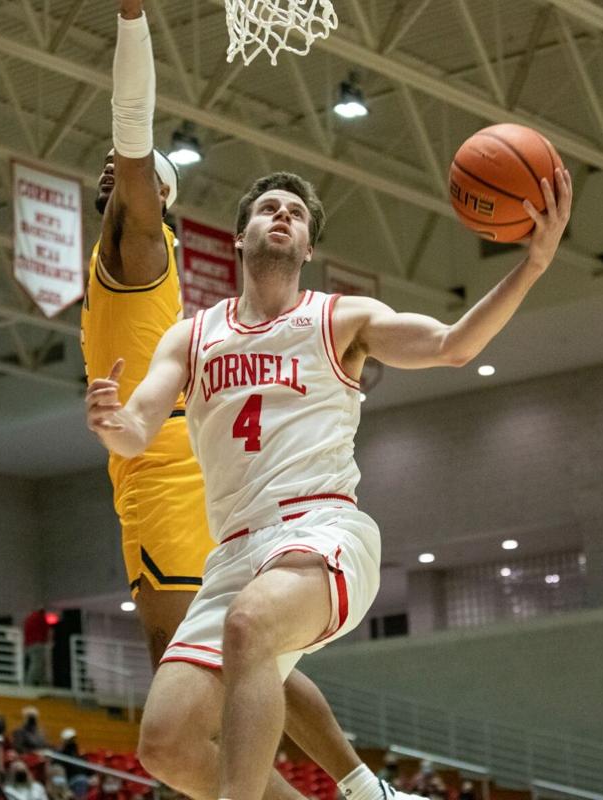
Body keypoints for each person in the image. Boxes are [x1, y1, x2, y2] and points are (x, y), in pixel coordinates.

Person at [86, 149, 570, 800]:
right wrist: (109, 419)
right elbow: (139, 427)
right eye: (267, 209)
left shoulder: (341, 320)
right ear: (239, 236)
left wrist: (534, 265)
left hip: (324, 532)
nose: (281, 216)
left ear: (308, 246)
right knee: (167, 745)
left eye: (294, 213)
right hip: (234, 557)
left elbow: (453, 345)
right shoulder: (193, 337)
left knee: (249, 626)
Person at [81, 5, 457, 800]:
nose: (115, 178)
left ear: (159, 196)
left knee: (241, 649)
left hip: (190, 464)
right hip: (143, 479)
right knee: (220, 687)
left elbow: (132, 128)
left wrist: (131, 21)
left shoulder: (139, 247)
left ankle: (360, 784)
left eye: (136, 178)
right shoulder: (107, 264)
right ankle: (359, 789)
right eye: (113, 179)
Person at [20, 611, 51, 687]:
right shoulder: (40, 618)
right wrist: (46, 640)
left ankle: (39, 681)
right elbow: (45, 630)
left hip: (29, 644)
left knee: (35, 663)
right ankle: (30, 682)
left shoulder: (29, 618)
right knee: (37, 664)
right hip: (37, 643)